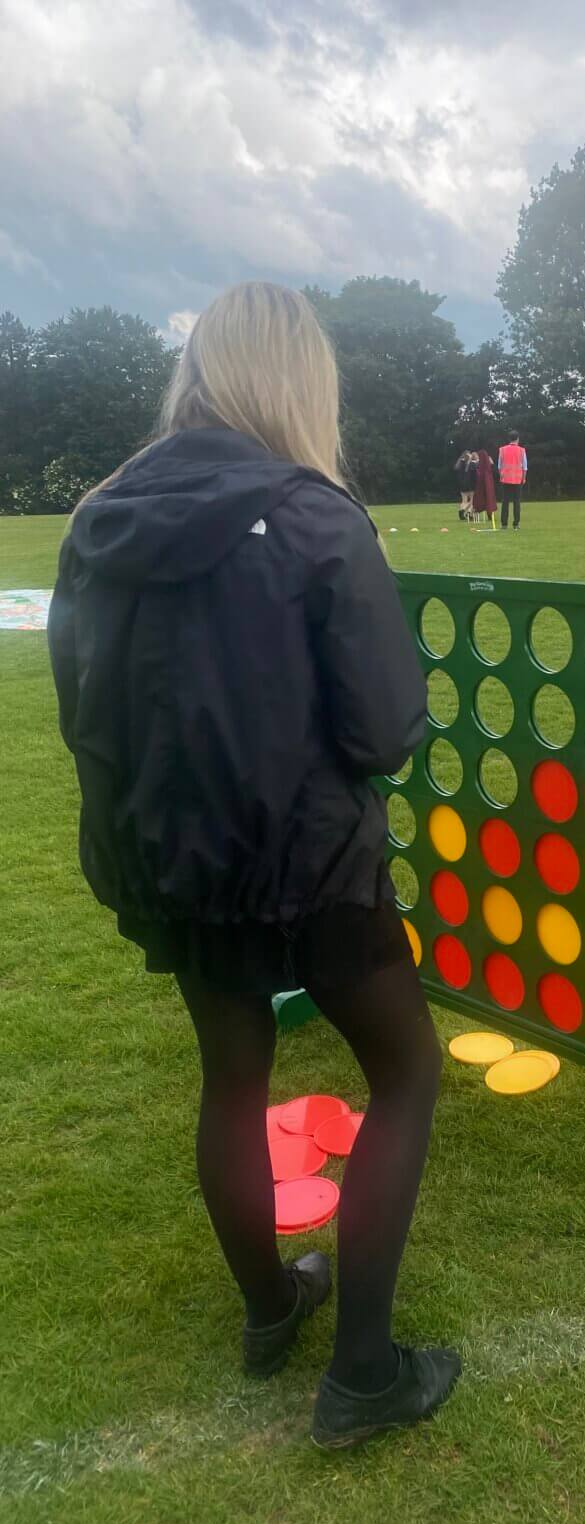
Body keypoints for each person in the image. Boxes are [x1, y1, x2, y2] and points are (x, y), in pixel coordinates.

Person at [47, 281, 461, 1447]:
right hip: (311, 859)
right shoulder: (317, 515)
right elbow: (383, 729)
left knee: (232, 1074)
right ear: (299, 382)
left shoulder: (98, 519)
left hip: (172, 861)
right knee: (406, 1074)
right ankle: (364, 1373)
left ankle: (271, 1309)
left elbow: (81, 705)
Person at [498, 430, 528, 529]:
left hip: (505, 478)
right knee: (517, 502)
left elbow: (499, 466)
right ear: (518, 439)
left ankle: (504, 524)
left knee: (505, 502)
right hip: (517, 478)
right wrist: (523, 478)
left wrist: (501, 475)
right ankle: (516, 524)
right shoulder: (522, 450)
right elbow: (524, 467)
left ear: (509, 439)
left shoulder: (502, 450)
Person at [473, 446, 498, 527]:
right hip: (487, 487)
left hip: (480, 487)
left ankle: (476, 515)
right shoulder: (488, 466)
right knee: (488, 499)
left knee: (480, 499)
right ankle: (490, 515)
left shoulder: (480, 466)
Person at [454, 449, 474, 518]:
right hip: (469, 483)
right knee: (472, 499)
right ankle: (468, 512)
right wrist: (470, 459)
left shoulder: (459, 462)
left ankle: (461, 510)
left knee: (464, 500)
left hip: (461, 484)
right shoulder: (467, 462)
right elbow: (467, 470)